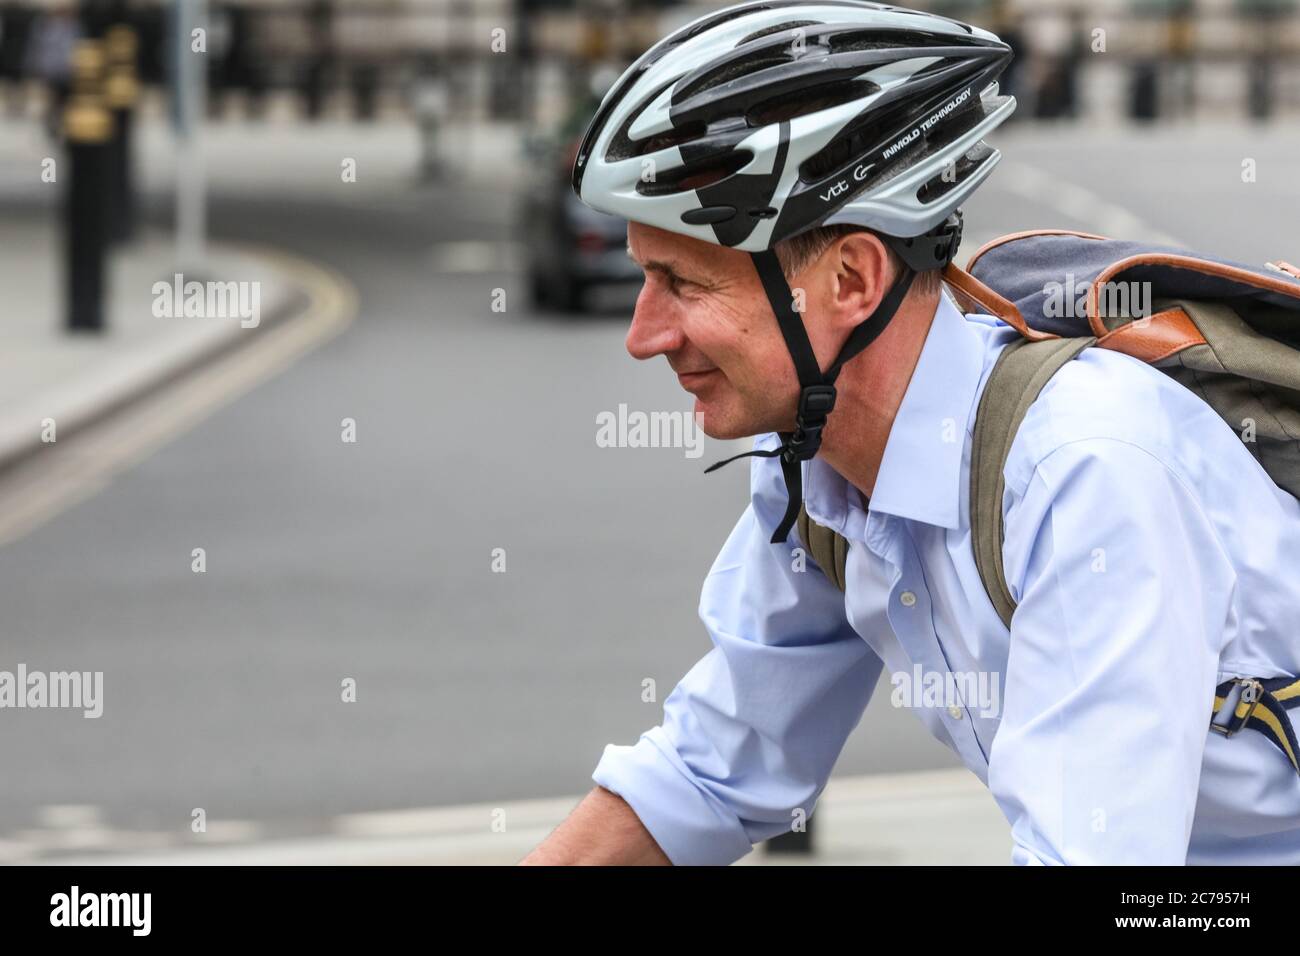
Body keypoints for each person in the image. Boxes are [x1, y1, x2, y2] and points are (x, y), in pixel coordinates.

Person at [520, 0, 1300, 866]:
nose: (644, 334)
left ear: (851, 278)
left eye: (685, 285)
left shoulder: (1084, 476)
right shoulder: (816, 473)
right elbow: (712, 772)